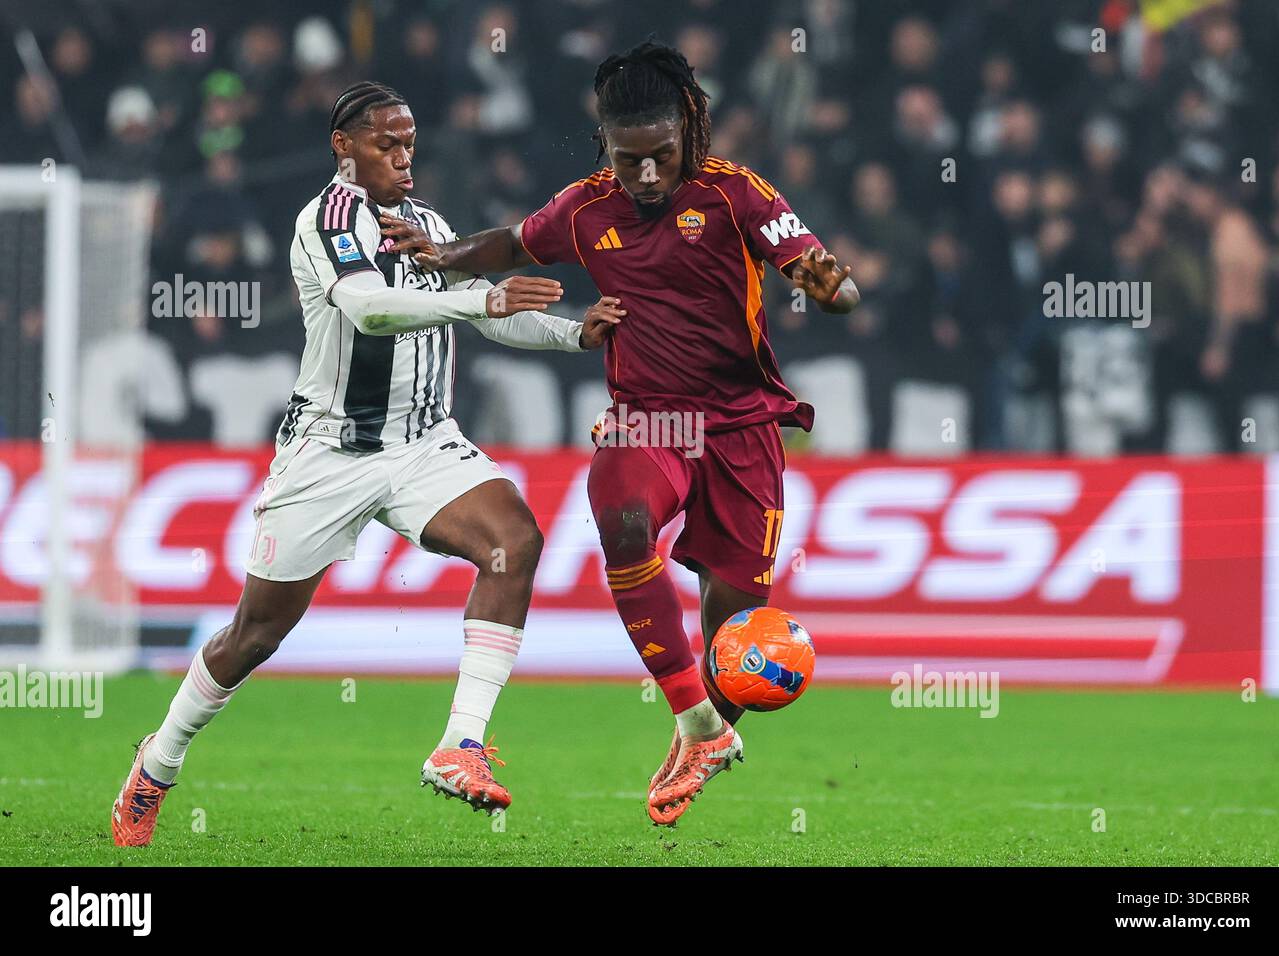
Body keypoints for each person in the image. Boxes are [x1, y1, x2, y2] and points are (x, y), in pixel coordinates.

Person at [111, 81, 621, 846]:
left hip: (421, 443)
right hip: (328, 452)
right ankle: (160, 759)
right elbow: (370, 307)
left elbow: (493, 310)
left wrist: (573, 334)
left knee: (515, 539)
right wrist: (483, 304)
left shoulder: (429, 225)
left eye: (411, 143)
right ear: (343, 146)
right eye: (388, 142)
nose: (404, 157)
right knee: (253, 635)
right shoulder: (326, 218)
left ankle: (461, 746)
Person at [417, 43, 858, 825]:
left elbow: (818, 269)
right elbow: (515, 243)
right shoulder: (586, 209)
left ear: (689, 130)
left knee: (734, 638)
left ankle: (700, 735)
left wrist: (831, 288)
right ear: (605, 148)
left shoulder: (736, 195)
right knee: (621, 514)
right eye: (629, 161)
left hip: (742, 427)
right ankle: (696, 722)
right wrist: (445, 256)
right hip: (649, 418)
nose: (646, 176)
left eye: (660, 157)